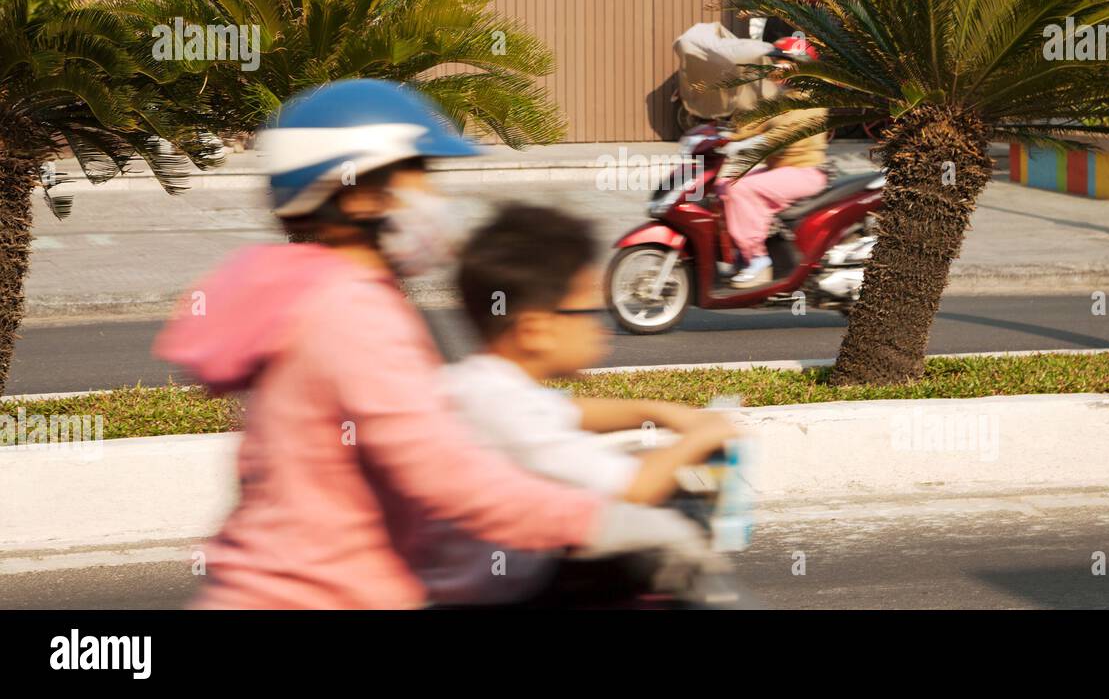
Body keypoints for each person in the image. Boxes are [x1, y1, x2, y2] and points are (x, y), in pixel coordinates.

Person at [153, 78, 703, 609]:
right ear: (359, 195)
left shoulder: (307, 292)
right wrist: (602, 520)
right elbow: (444, 474)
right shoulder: (349, 312)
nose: (433, 197)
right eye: (417, 173)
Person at [423, 204, 741, 605]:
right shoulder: (505, 406)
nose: (600, 327)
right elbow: (634, 488)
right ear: (535, 331)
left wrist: (658, 411)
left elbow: (574, 412)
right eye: (589, 312)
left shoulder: (485, 384)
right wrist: (700, 436)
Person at [717, 48, 829, 286]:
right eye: (777, 64)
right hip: (780, 171)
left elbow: (786, 135)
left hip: (804, 172)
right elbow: (757, 122)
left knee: (741, 189)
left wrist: (748, 147)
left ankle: (757, 259)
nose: (776, 69)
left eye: (784, 65)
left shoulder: (811, 99)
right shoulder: (783, 98)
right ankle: (738, 252)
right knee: (722, 185)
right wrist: (724, 134)